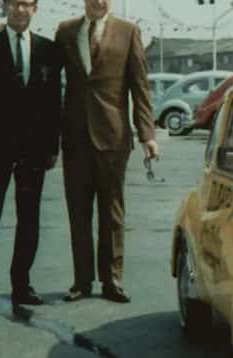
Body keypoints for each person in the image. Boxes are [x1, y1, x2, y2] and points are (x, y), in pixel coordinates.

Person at [0, 0, 63, 315]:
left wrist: (51, 147)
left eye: (27, 4)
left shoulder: (48, 49)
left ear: (35, 9)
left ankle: (21, 284)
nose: (20, 10)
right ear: (5, 7)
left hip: (33, 151)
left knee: (29, 220)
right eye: (15, 3)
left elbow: (52, 102)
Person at [55, 0, 159, 303]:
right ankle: (82, 281)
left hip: (113, 137)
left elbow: (140, 87)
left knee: (112, 211)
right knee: (78, 211)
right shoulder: (65, 32)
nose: (98, 1)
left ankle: (112, 279)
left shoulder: (128, 32)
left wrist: (147, 134)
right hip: (75, 137)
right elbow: (46, 81)